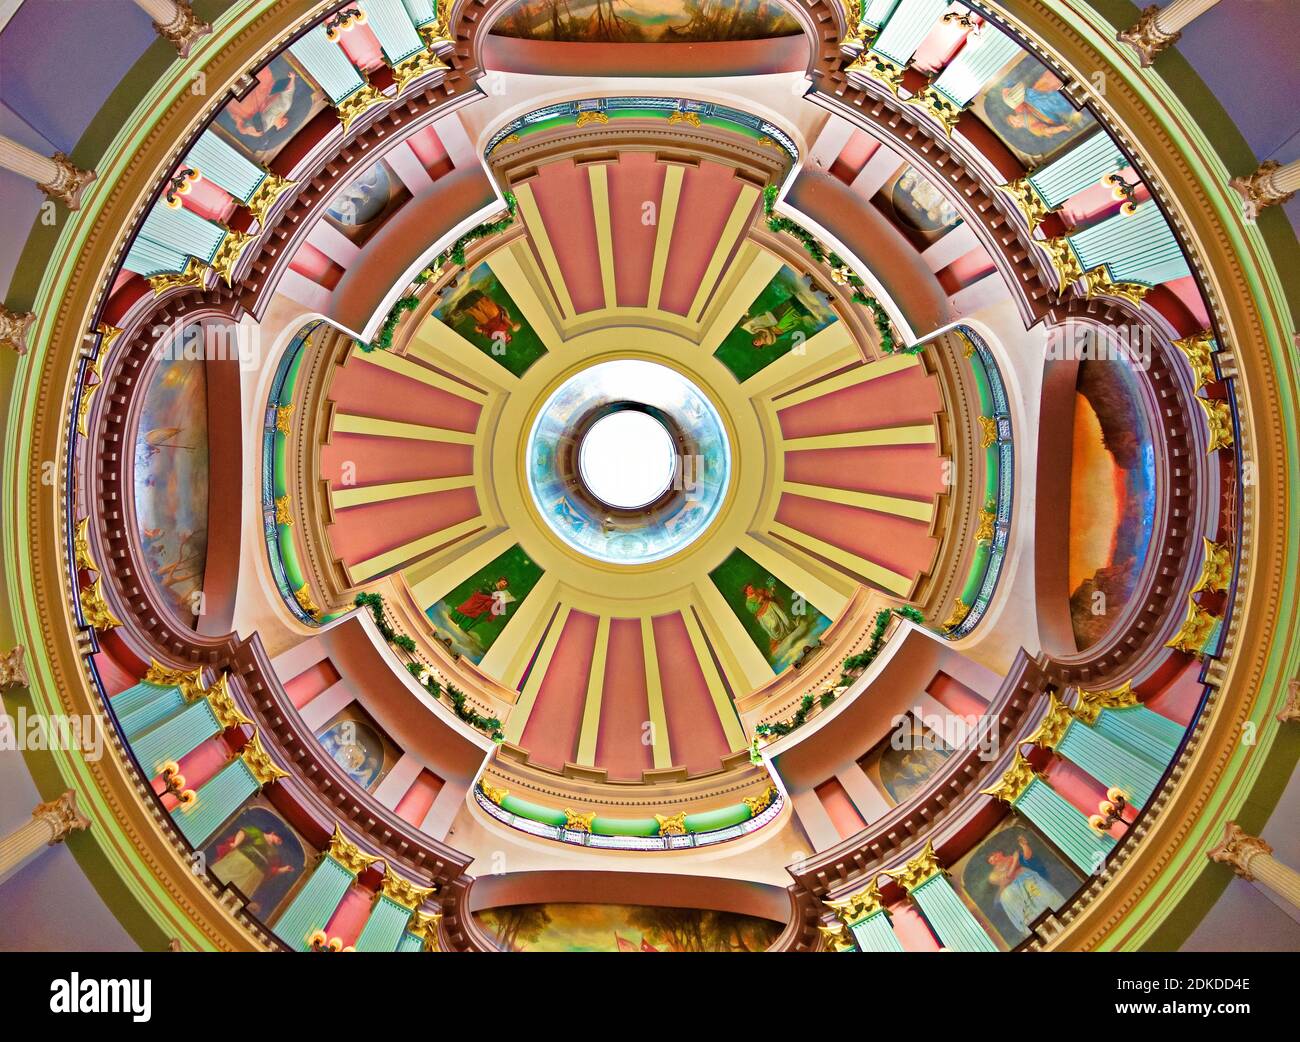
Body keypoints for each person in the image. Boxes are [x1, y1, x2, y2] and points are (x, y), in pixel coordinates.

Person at [986, 832, 1066, 936]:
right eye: (991, 861)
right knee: (1010, 897)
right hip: (1014, 890)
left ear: (1000, 853)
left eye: (995, 856)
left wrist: (1024, 845)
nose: (995, 860)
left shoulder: (1011, 857)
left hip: (1027, 878)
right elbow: (1007, 879)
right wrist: (1015, 861)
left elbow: (1027, 857)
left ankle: (1056, 912)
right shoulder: (993, 874)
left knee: (1040, 892)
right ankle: (1035, 923)